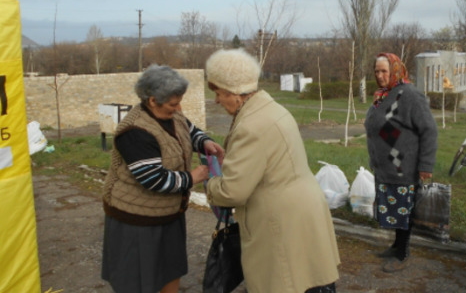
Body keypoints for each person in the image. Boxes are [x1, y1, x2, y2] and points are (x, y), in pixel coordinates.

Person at [204, 49, 340, 293]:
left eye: (218, 92)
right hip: (300, 208)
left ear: (235, 92)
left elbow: (233, 191)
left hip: (282, 218)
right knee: (307, 280)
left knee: (285, 282)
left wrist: (211, 182)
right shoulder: (269, 107)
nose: (216, 100)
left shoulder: (251, 125)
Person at [101, 65, 224, 293]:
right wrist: (193, 177)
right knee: (137, 281)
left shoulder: (173, 115)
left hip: (169, 215)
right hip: (136, 221)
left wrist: (204, 142)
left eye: (179, 102)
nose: (179, 108)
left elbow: (189, 131)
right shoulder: (134, 132)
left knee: (170, 269)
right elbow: (154, 179)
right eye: (173, 104)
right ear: (152, 101)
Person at [365, 52, 438, 273]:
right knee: (394, 209)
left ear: (395, 70)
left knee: (403, 211)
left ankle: (403, 253)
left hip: (403, 167)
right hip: (385, 168)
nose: (379, 75)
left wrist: (426, 165)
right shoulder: (383, 95)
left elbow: (429, 130)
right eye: (376, 71)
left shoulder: (410, 95)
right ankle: (396, 245)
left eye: (384, 71)